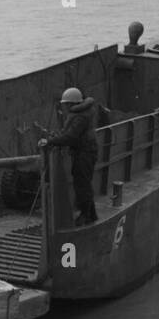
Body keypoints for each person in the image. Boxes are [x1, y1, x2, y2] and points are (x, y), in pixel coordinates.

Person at [40, 87, 98, 225]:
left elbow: (70, 137)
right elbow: (69, 134)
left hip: (85, 154)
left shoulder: (80, 117)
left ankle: (86, 215)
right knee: (84, 183)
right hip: (85, 152)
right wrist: (58, 136)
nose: (64, 107)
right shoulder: (82, 114)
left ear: (71, 104)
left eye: (65, 104)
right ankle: (91, 214)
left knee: (82, 184)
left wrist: (50, 141)